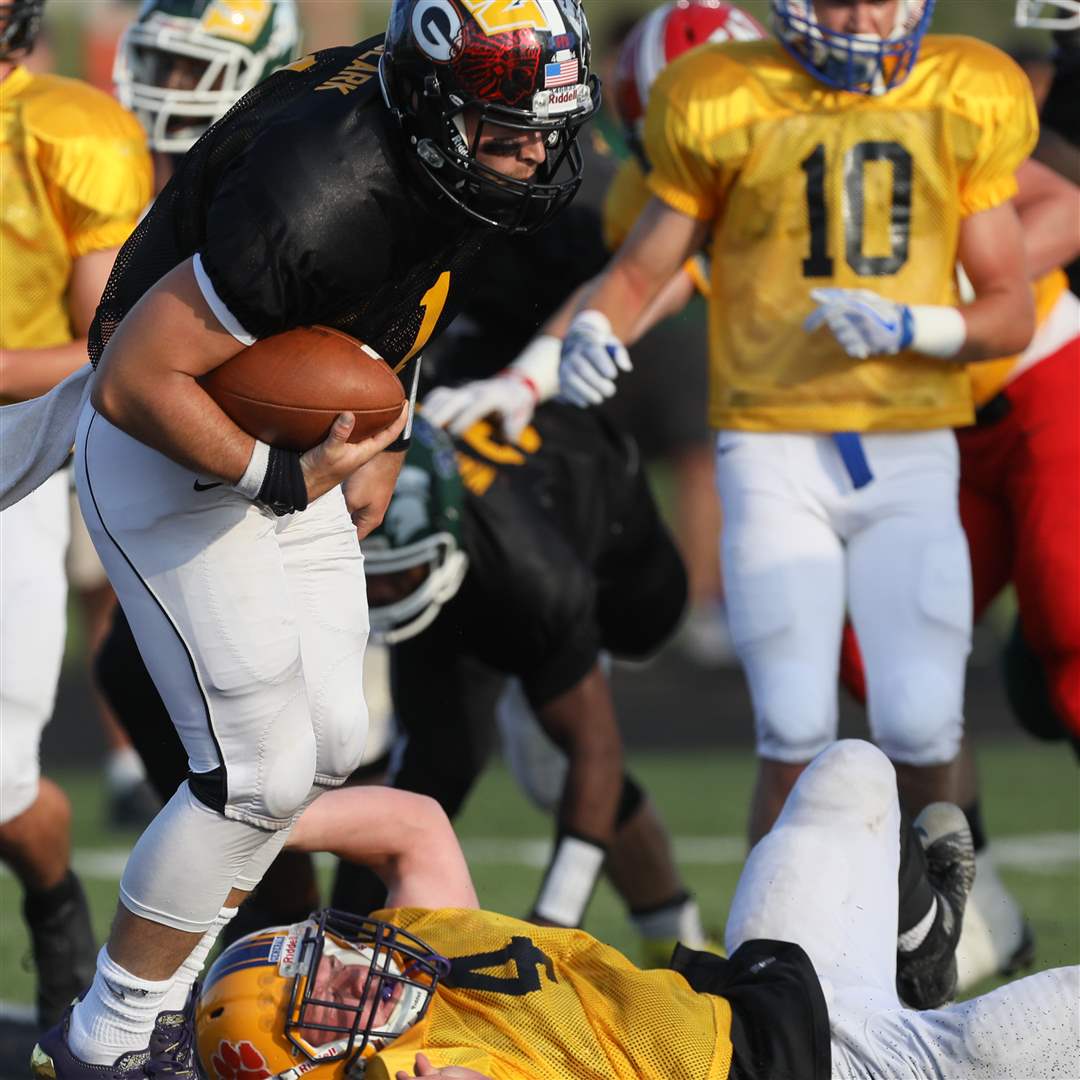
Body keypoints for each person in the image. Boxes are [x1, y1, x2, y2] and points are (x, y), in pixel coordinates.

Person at [21, 1, 600, 1073]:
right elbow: (132, 379)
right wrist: (279, 474)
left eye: (544, 129)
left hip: (279, 439)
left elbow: (415, 279)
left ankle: (193, 979)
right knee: (256, 778)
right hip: (172, 445)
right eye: (507, 128)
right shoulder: (322, 194)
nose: (532, 155)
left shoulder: (444, 141)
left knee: (335, 745)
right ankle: (107, 1039)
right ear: (434, 105)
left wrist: (390, 429)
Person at [555, 0, 1039, 846]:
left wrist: (912, 327)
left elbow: (1008, 310)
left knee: (924, 725)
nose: (863, 20)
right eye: (840, 0)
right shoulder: (724, 95)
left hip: (909, 439)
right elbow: (640, 272)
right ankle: (770, 960)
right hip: (773, 442)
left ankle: (935, 927)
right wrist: (596, 327)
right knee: (791, 729)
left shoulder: (964, 92)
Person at [185, 740, 1079, 1080]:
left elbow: (413, 827)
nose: (352, 970)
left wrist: (247, 828)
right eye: (323, 1001)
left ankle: (920, 961)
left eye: (319, 958)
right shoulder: (415, 1068)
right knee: (999, 1053)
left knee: (850, 775)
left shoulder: (415, 945)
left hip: (764, 1001)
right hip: (797, 1078)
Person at [424, 0, 768, 668]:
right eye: (674, 141)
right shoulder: (649, 191)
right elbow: (636, 283)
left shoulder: (830, 140)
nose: (695, 159)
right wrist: (527, 377)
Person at [0, 0, 153, 1026]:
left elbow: (116, 340)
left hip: (11, 460)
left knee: (0, 784)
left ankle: (54, 905)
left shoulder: (66, 128)